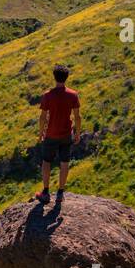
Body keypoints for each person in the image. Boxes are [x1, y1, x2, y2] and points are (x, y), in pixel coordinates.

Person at [34, 63, 81, 204]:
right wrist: (78, 133)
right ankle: (60, 193)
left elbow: (43, 117)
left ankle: (46, 192)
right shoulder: (73, 95)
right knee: (65, 162)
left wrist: (40, 133)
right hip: (66, 134)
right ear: (66, 78)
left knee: (46, 161)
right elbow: (78, 116)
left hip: (51, 134)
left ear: (54, 77)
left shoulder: (48, 95)